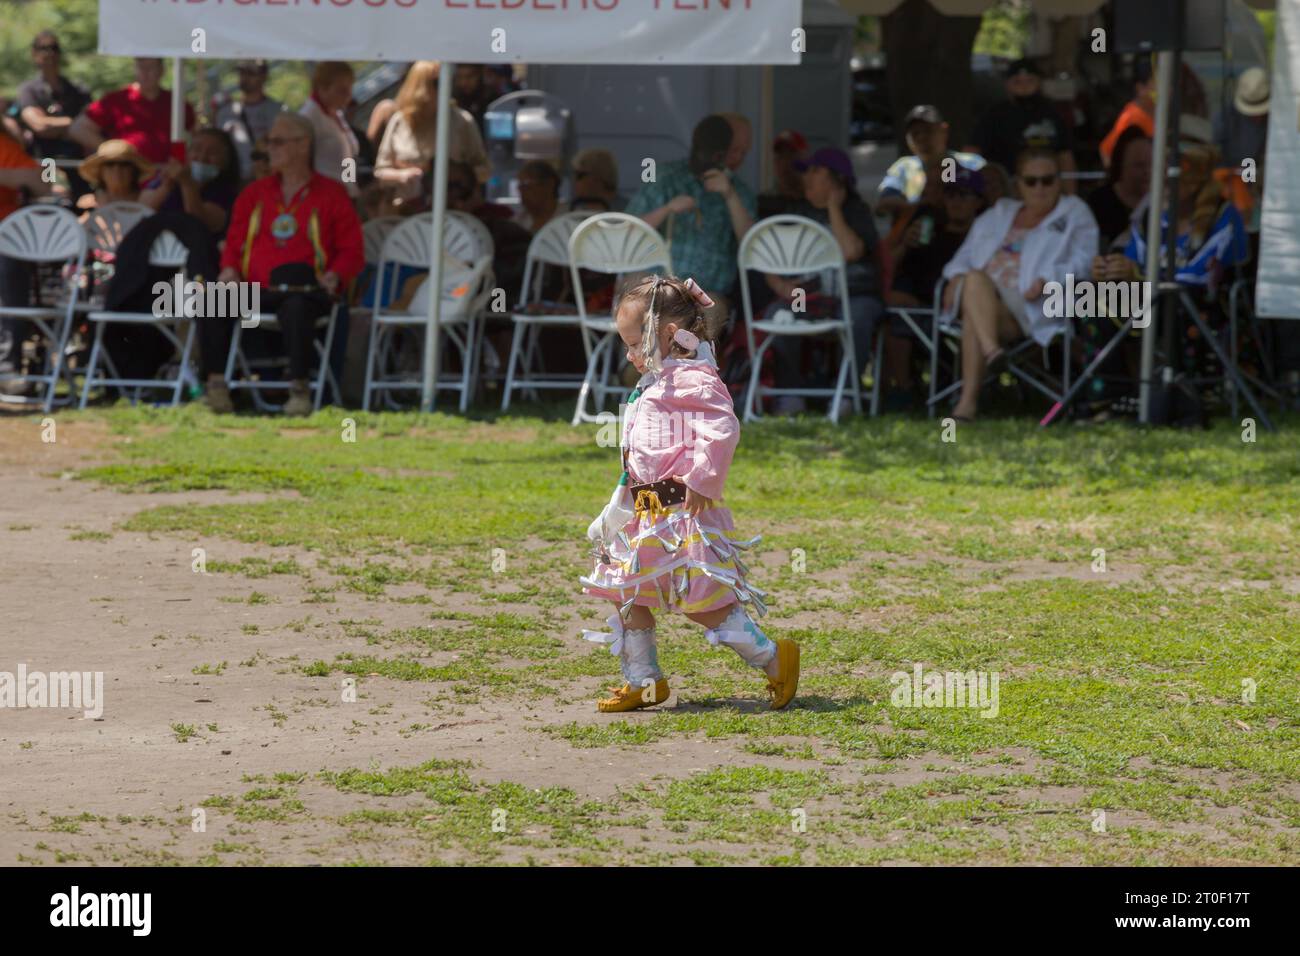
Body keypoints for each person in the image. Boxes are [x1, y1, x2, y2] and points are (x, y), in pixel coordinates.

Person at [580, 275, 799, 713]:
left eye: (632, 344)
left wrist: (702, 478)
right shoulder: (654, 382)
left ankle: (774, 659)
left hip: (682, 515)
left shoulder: (694, 379)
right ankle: (643, 680)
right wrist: (617, 504)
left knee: (705, 605)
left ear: (664, 335)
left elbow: (723, 428)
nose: (629, 354)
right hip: (642, 517)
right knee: (627, 595)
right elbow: (638, 455)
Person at [208, 113, 364, 416]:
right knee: (213, 299)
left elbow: (353, 251)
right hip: (257, 289)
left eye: (277, 142)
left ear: (303, 145)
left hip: (307, 289)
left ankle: (299, 390)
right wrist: (229, 270)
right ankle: (217, 386)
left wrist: (334, 276)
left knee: (296, 307)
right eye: (270, 143)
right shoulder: (254, 193)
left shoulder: (332, 194)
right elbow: (235, 242)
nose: (270, 150)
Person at [941, 148, 1098, 421]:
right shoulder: (1000, 212)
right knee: (974, 287)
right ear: (1018, 184)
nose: (1039, 188)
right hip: (990, 305)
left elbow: (1086, 262)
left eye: (1047, 180)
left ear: (1059, 182)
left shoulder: (1074, 213)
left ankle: (968, 401)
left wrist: (1048, 278)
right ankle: (988, 360)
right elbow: (961, 258)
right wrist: (955, 276)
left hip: (1034, 301)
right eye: (1031, 181)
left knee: (973, 297)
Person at [764, 146, 883, 415]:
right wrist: (781, 286)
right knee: (779, 313)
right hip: (809, 297)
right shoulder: (796, 212)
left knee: (858, 318)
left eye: (814, 170)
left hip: (854, 293)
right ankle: (791, 393)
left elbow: (851, 252)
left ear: (836, 179)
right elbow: (767, 258)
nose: (805, 177)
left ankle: (846, 395)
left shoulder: (856, 211)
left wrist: (833, 208)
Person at [625, 115, 755, 316]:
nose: (738, 158)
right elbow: (627, 230)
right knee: (636, 305)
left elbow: (752, 247)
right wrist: (667, 209)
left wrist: (730, 196)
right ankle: (643, 348)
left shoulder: (740, 192)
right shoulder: (666, 178)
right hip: (656, 285)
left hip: (706, 295)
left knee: (711, 315)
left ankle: (688, 349)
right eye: (733, 150)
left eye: (743, 152)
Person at [885, 166, 986, 400]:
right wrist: (905, 244)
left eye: (963, 195)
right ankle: (903, 390)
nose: (955, 201)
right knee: (892, 307)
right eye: (950, 194)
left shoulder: (984, 237)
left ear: (978, 202)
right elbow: (889, 269)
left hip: (961, 310)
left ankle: (965, 391)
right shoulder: (929, 228)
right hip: (918, 307)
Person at [373, 61, 490, 215]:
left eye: (447, 80)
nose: (443, 87)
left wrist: (460, 176)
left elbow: (485, 169)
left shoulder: (462, 120)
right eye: (436, 83)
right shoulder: (399, 121)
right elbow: (380, 172)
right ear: (418, 86)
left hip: (456, 210)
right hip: (407, 211)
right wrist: (403, 175)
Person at [968, 60, 1076, 195]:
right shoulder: (994, 116)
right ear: (1007, 84)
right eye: (1017, 82)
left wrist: (1070, 195)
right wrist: (976, 189)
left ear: (1039, 82)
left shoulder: (1053, 115)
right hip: (1005, 191)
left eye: (1030, 81)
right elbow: (972, 153)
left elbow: (1065, 156)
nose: (1024, 87)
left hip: (1047, 188)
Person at [0, 129, 52, 392]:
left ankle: (6, 367)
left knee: (10, 267)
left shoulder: (4, 146)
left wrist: (5, 176)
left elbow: (45, 182)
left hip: (7, 238)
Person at [70, 58, 194, 165]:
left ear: (161, 70)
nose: (146, 73)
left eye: (151, 68)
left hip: (168, 177)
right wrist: (112, 151)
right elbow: (78, 129)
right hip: (128, 180)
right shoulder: (116, 100)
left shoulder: (177, 103)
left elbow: (195, 136)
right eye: (141, 67)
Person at [878, 105, 985, 221]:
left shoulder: (971, 163)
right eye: (915, 133)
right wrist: (923, 205)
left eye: (928, 130)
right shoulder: (903, 166)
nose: (921, 137)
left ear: (944, 130)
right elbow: (884, 203)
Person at [144, 127, 240, 244]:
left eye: (212, 153)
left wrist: (187, 184)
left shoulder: (226, 194)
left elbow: (198, 222)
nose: (202, 157)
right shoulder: (168, 181)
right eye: (197, 149)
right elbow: (142, 210)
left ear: (226, 161)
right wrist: (166, 187)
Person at [15, 32, 90, 170]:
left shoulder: (78, 90)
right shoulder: (29, 90)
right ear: (34, 53)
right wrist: (72, 125)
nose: (50, 53)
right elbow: (39, 126)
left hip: (78, 162)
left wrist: (54, 125)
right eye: (43, 48)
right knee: (52, 191)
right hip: (45, 163)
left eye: (54, 48)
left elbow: (90, 126)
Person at [300, 61, 360, 199]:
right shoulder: (309, 117)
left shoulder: (336, 113)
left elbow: (348, 156)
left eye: (350, 90)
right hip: (325, 198)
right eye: (342, 91)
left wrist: (351, 186)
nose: (348, 96)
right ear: (322, 88)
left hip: (346, 194)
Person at [216, 60, 283, 182]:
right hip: (233, 180)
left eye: (251, 73)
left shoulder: (278, 111)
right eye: (242, 73)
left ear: (264, 76)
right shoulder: (226, 112)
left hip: (267, 177)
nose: (245, 78)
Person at [1087, 127, 1151, 251]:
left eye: (1151, 164)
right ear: (1121, 166)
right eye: (1139, 165)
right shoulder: (1099, 202)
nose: (1147, 172)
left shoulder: (1161, 202)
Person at [1099, 59, 1155, 168]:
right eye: (1156, 83)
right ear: (1141, 88)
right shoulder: (1133, 117)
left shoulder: (1157, 113)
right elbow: (1106, 152)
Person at [78, 138, 152, 211]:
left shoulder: (149, 200)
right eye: (110, 164)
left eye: (124, 164)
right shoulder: (88, 204)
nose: (117, 170)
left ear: (134, 170)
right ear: (100, 172)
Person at [759, 128, 809, 219]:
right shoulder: (765, 201)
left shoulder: (816, 201)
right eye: (780, 157)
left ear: (804, 159)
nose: (785, 163)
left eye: (791, 155)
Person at [513, 159, 564, 233]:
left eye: (526, 184)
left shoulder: (570, 217)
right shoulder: (517, 223)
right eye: (519, 185)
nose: (521, 190)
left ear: (549, 184)